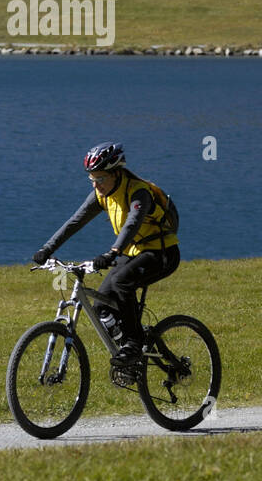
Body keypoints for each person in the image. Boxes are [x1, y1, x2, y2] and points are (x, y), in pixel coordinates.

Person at [32, 142, 180, 367]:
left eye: (101, 179)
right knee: (101, 305)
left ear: (116, 173)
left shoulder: (138, 191)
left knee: (121, 282)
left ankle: (133, 343)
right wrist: (47, 249)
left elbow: (132, 224)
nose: (96, 184)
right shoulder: (101, 195)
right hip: (132, 252)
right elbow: (74, 222)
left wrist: (113, 252)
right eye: (92, 179)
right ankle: (129, 354)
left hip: (162, 252)